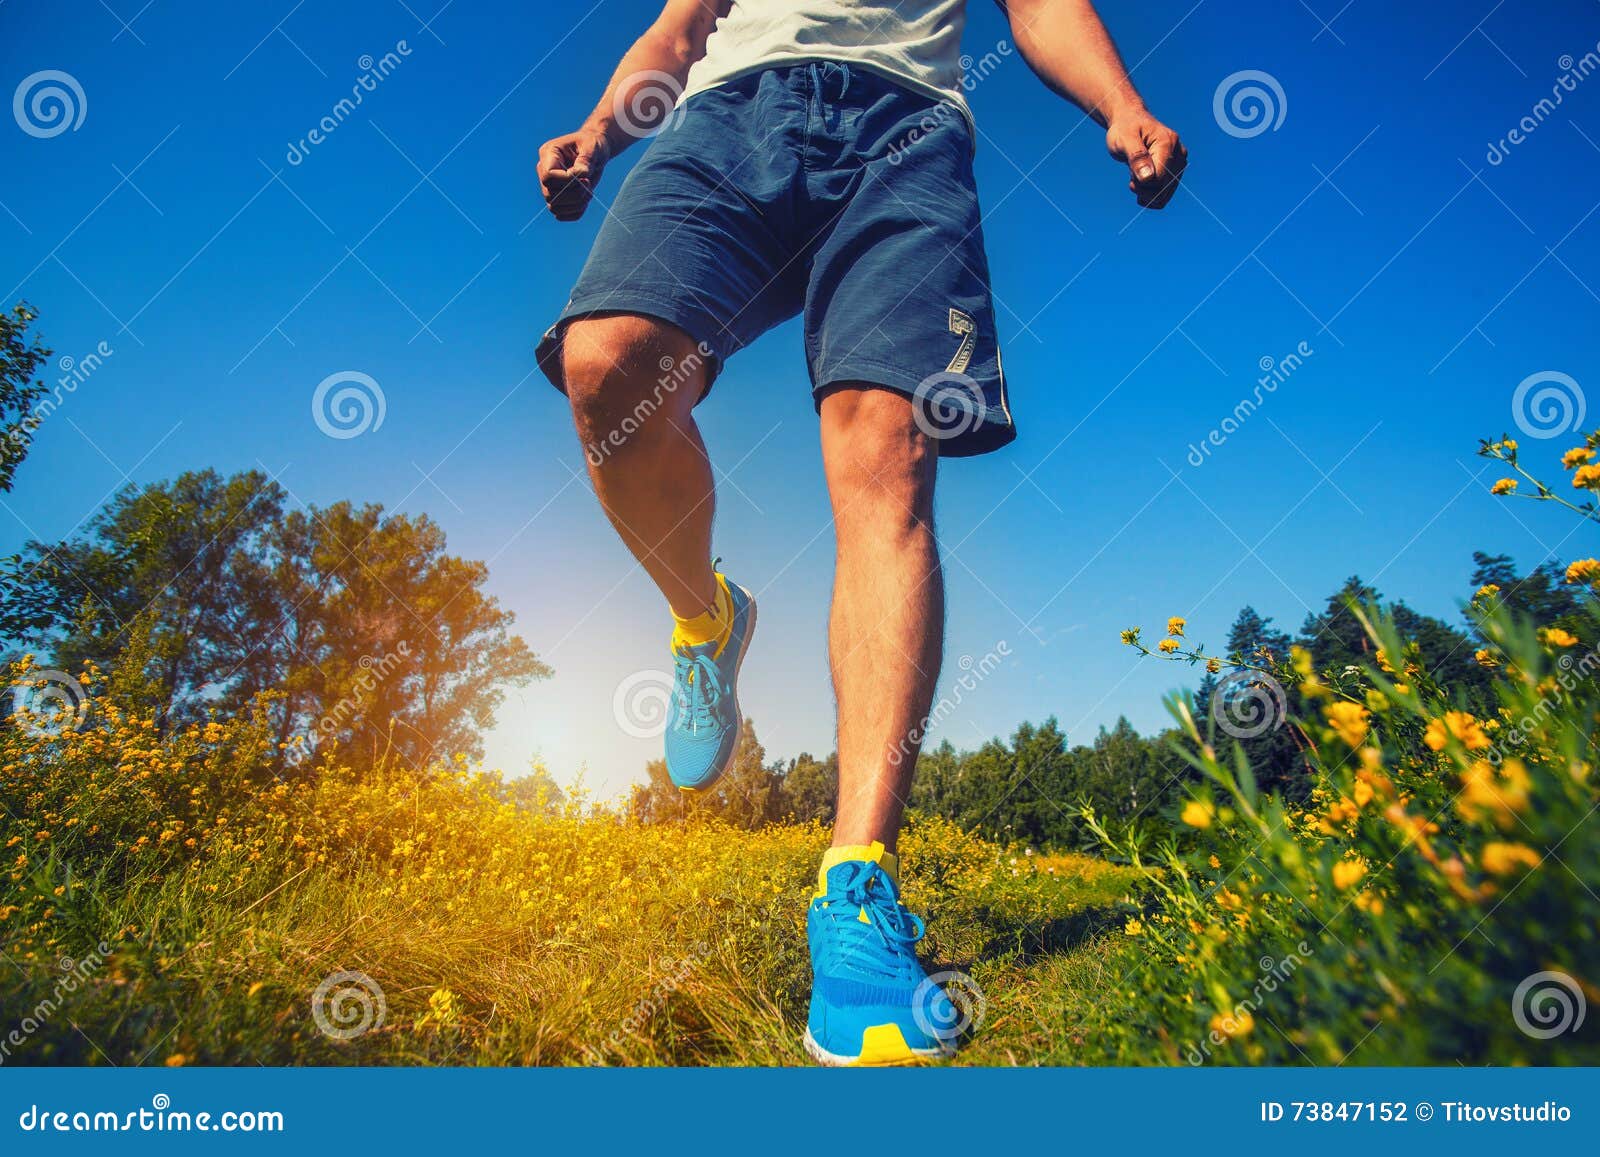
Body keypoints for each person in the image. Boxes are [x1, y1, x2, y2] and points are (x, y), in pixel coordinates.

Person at [535, 0, 1185, 1066]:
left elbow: (1042, 7)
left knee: (887, 454)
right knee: (606, 364)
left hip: (909, 133)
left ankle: (855, 893)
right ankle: (705, 619)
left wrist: (1122, 107)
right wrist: (601, 131)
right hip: (730, 118)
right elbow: (680, 26)